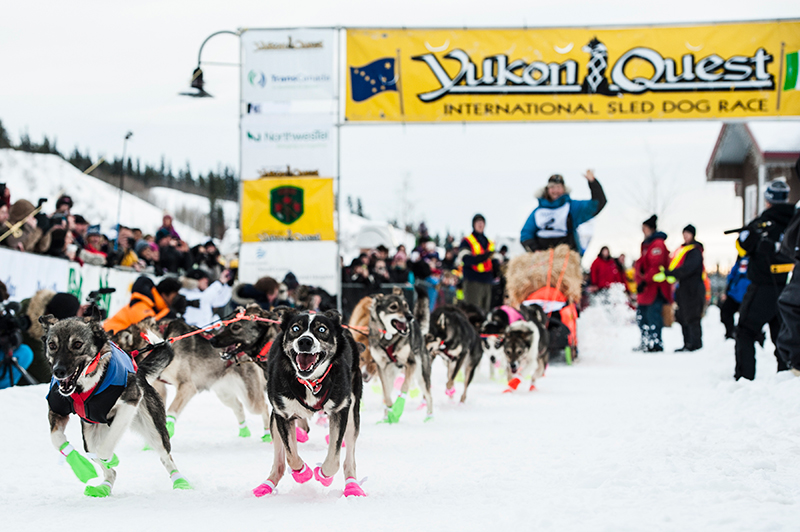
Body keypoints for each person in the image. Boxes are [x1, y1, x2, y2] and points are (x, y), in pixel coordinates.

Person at [734, 181, 794, 381]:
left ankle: (744, 379)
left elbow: (743, 248)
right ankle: (787, 378)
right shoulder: (795, 220)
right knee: (784, 335)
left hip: (763, 287)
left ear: (768, 200)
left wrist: (747, 235)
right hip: (791, 287)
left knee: (745, 331)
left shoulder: (761, 224)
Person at [520, 170, 607, 254]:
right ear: (547, 189)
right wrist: (535, 249)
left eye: (558, 187)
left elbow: (597, 204)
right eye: (552, 187)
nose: (555, 191)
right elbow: (526, 233)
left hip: (567, 255)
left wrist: (593, 182)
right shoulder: (538, 212)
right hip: (543, 256)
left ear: (564, 189)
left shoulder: (572, 207)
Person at [662, 224, 705, 352]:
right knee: (682, 316)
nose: (685, 236)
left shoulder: (695, 251)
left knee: (692, 316)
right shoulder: (682, 250)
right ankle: (687, 343)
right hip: (683, 289)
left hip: (693, 289)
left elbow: (687, 269)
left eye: (688, 234)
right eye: (684, 234)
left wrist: (671, 274)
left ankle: (695, 344)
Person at [634, 215, 672, 352]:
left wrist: (644, 281)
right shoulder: (647, 244)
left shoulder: (657, 244)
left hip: (655, 288)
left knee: (653, 316)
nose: (643, 231)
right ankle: (645, 341)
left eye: (644, 228)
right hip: (645, 289)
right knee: (642, 317)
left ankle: (656, 343)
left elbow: (655, 266)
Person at [104, 276, 183, 335]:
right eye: (174, 296)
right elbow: (145, 328)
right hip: (111, 336)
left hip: (122, 339)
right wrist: (168, 313)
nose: (176, 299)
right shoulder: (142, 304)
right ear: (164, 294)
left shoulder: (155, 306)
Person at [458, 214, 496, 312]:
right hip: (473, 280)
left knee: (485, 311)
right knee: (472, 311)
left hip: (487, 281)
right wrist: (483, 257)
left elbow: (494, 261)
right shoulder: (467, 241)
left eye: (482, 222)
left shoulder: (489, 242)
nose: (480, 225)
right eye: (478, 222)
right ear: (473, 225)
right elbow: (466, 260)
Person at [721, 254, 750, 340]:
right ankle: (731, 333)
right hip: (734, 293)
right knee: (725, 312)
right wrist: (728, 290)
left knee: (749, 318)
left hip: (749, 293)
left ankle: (754, 337)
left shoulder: (757, 257)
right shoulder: (740, 259)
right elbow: (732, 275)